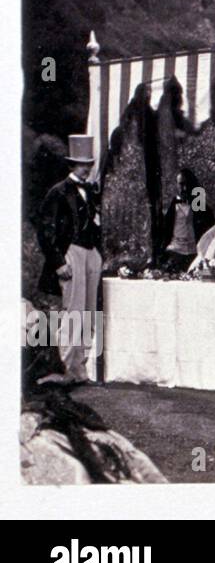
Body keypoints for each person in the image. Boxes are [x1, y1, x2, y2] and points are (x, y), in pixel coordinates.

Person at [35, 135, 104, 384]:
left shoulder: (92, 191)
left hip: (90, 252)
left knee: (88, 312)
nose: (86, 167)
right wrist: (58, 262)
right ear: (71, 165)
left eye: (89, 163)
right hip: (71, 251)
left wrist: (98, 254)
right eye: (81, 163)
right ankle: (65, 368)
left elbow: (95, 224)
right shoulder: (59, 192)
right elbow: (45, 231)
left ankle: (80, 369)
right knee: (73, 312)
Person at [154, 168, 215, 274]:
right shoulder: (171, 204)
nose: (185, 188)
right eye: (181, 184)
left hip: (195, 252)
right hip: (175, 250)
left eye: (188, 184)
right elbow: (163, 231)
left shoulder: (199, 204)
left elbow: (210, 226)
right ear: (177, 185)